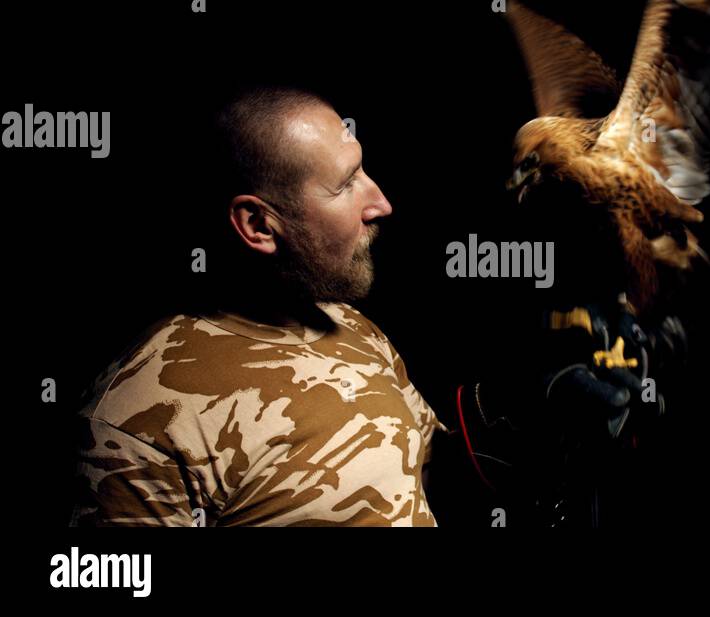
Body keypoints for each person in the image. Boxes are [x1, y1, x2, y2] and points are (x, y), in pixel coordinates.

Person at [70, 87, 675, 527]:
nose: (382, 202)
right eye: (343, 185)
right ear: (257, 224)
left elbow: (427, 485)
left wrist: (520, 410)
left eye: (366, 172)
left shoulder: (352, 328)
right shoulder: (137, 417)